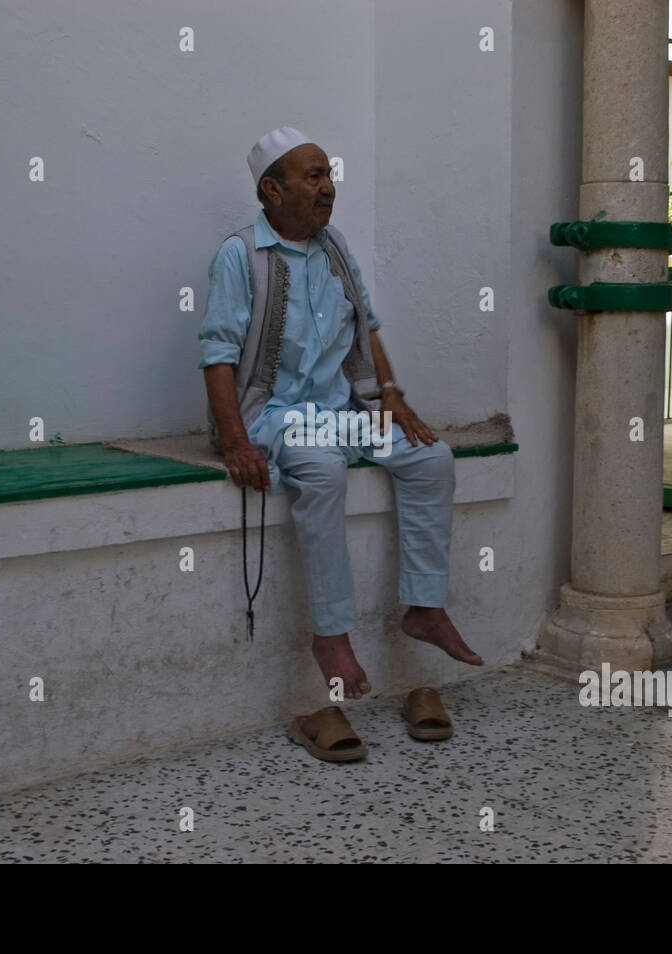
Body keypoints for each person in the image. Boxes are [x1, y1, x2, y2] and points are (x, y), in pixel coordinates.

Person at [198, 126, 483, 729]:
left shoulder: (335, 247)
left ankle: (425, 606)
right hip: (272, 417)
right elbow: (217, 353)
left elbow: (367, 325)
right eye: (313, 177)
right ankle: (330, 634)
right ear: (272, 191)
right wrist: (235, 440)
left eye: (328, 174)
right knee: (321, 470)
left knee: (430, 458)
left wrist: (391, 395)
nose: (328, 187)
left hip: (340, 411)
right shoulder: (239, 255)